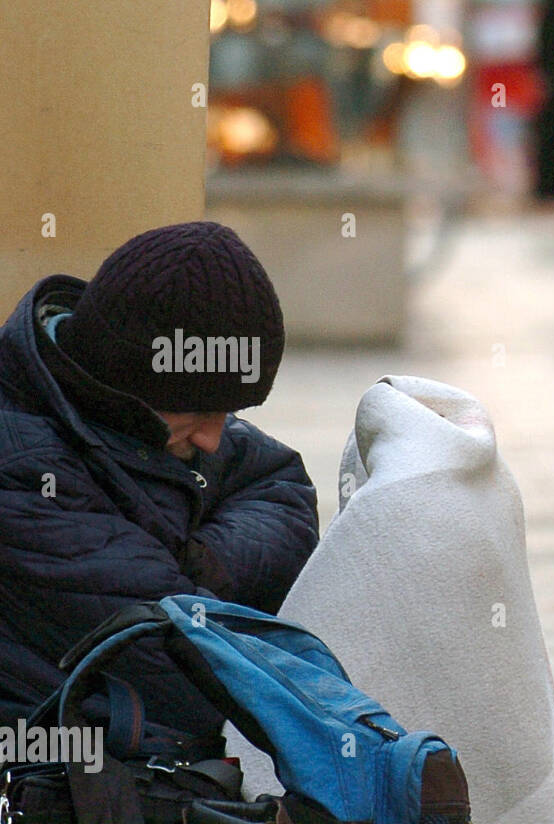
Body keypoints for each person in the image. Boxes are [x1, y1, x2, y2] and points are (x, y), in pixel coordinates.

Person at [0, 221, 319, 744]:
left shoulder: (146, 416)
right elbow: (191, 675)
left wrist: (200, 561)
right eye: (199, 412)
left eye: (229, 411)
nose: (216, 440)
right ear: (122, 391)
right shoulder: (24, 468)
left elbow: (279, 484)